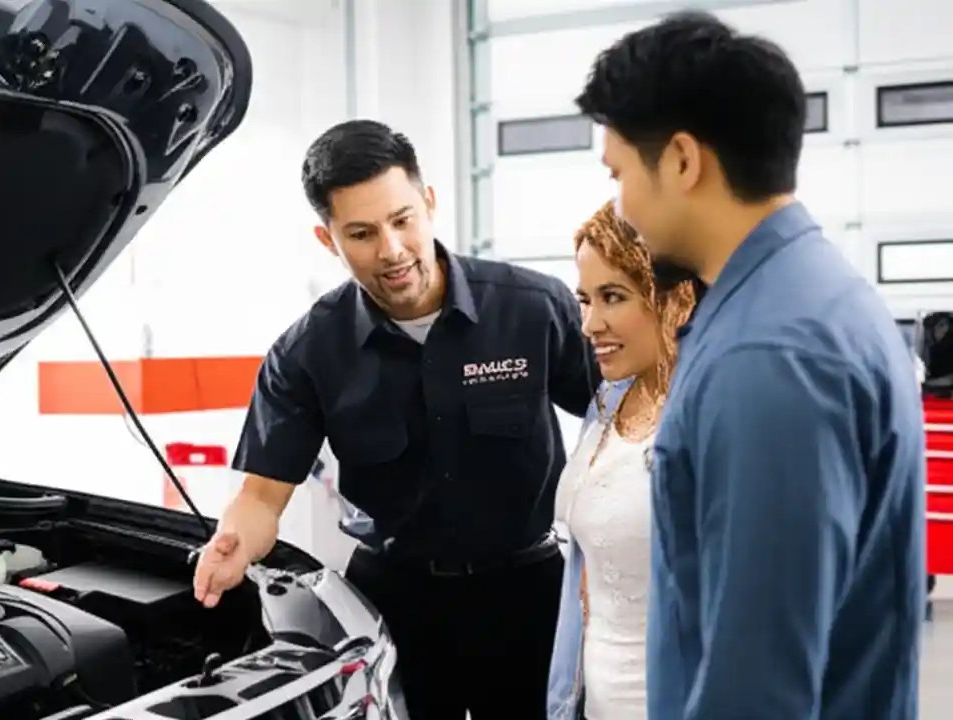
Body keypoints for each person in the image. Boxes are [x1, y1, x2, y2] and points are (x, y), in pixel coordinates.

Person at [575, 11, 927, 720]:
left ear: (681, 159)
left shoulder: (769, 356)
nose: (624, 208)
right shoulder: (800, 298)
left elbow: (759, 682)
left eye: (620, 175)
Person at [191, 118, 599, 719]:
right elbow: (260, 496)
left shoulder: (534, 309)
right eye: (360, 232)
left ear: (428, 202)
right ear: (327, 238)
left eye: (402, 219)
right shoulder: (309, 351)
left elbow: (623, 419)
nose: (391, 249)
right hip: (394, 602)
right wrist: (233, 543)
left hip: (527, 592)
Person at [546, 201, 696, 720]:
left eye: (613, 296)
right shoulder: (608, 401)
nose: (589, 324)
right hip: (592, 697)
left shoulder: (709, 418)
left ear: (673, 295)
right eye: (584, 299)